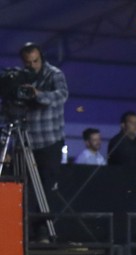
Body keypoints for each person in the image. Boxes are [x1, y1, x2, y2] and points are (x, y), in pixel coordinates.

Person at [16, 43, 68, 210]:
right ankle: (25, 229)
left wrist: (38, 94)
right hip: (26, 142)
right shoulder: (21, 76)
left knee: (47, 187)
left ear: (41, 59)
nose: (32, 65)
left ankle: (43, 231)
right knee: (25, 185)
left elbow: (61, 96)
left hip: (49, 141)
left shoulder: (54, 74)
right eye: (28, 62)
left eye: (35, 61)